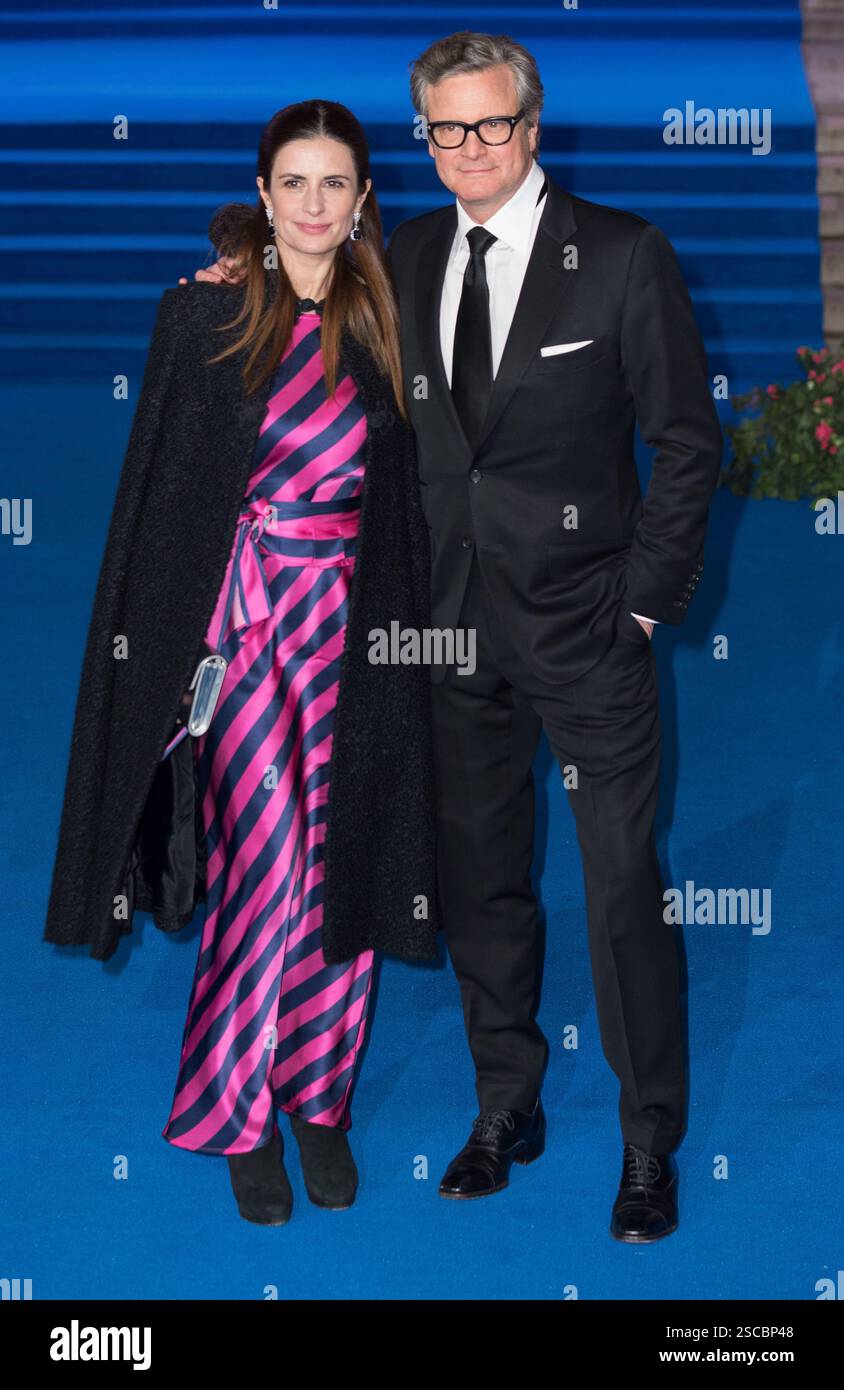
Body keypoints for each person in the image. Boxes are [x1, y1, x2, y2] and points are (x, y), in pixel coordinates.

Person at [196, 30, 724, 1243]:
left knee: (620, 888)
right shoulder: (408, 255)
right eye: (447, 129)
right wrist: (233, 264)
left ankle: (649, 1142)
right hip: (441, 637)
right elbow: (304, 273)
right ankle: (507, 1104)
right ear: (423, 138)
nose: (471, 149)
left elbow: (689, 443)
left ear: (533, 128)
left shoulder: (627, 257)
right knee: (481, 886)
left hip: (589, 632)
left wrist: (641, 598)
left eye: (492, 125)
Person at [43, 99, 438, 1227]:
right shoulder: (199, 319)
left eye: (336, 185)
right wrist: (172, 651)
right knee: (264, 865)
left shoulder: (389, 320)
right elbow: (157, 510)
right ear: (261, 199)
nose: (315, 206)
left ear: (364, 198)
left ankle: (318, 1092)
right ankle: (234, 1109)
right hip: (243, 631)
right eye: (294, 185)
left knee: (345, 858)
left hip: (357, 634)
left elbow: (415, 500)